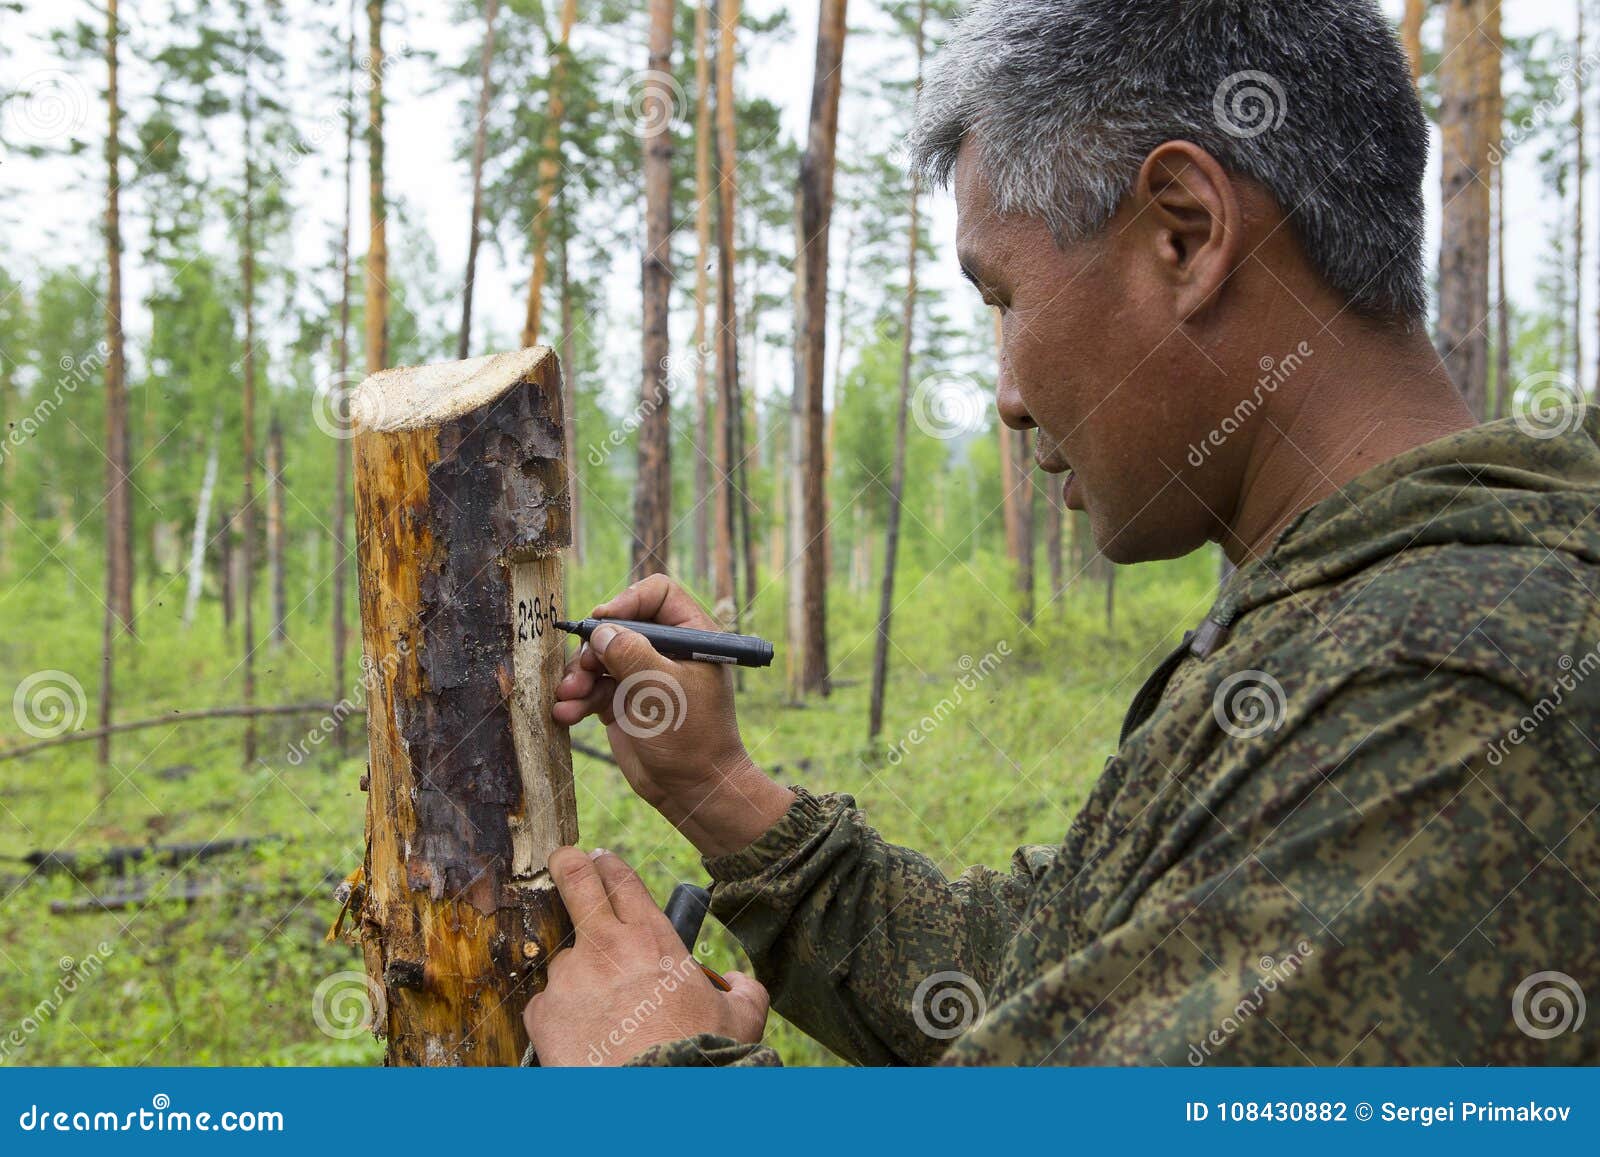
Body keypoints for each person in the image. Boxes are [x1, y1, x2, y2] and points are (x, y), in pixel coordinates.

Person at [523, 0, 1600, 1066]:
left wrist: (660, 1081)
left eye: (1003, 297)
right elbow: (1065, 990)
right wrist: (721, 791)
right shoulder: (1373, 621)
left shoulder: (1448, 695)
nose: (1007, 397)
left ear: (1184, 231)